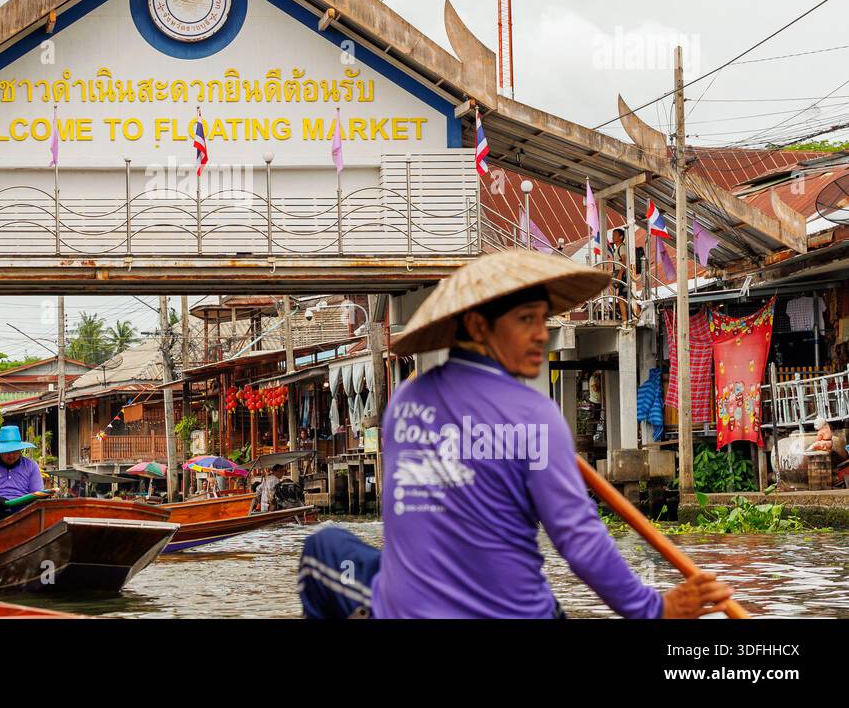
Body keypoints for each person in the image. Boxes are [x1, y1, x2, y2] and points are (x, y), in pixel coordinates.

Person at [298, 249, 734, 620]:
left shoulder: (405, 403)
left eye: (543, 320)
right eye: (526, 319)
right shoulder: (534, 417)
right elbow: (580, 542)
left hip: (410, 608)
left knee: (324, 548)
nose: (541, 335)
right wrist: (654, 609)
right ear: (478, 326)